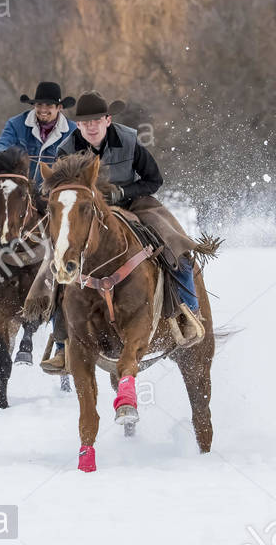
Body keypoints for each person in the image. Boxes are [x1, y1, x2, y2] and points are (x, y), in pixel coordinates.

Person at [39, 90, 205, 375]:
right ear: (77, 124)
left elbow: (154, 179)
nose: (91, 126)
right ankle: (62, 343)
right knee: (58, 265)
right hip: (86, 213)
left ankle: (188, 313)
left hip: (134, 203)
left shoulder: (129, 139)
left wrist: (123, 192)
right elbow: (59, 190)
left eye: (97, 120)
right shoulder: (65, 150)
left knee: (177, 246)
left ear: (108, 119)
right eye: (85, 122)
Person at [0, 82, 77, 325]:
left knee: (69, 241)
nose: (44, 110)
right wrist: (13, 159)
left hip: (51, 197)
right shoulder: (17, 124)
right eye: (40, 105)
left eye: (49, 106)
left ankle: (67, 306)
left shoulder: (71, 130)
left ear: (59, 107)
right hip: (16, 195)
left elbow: (75, 159)